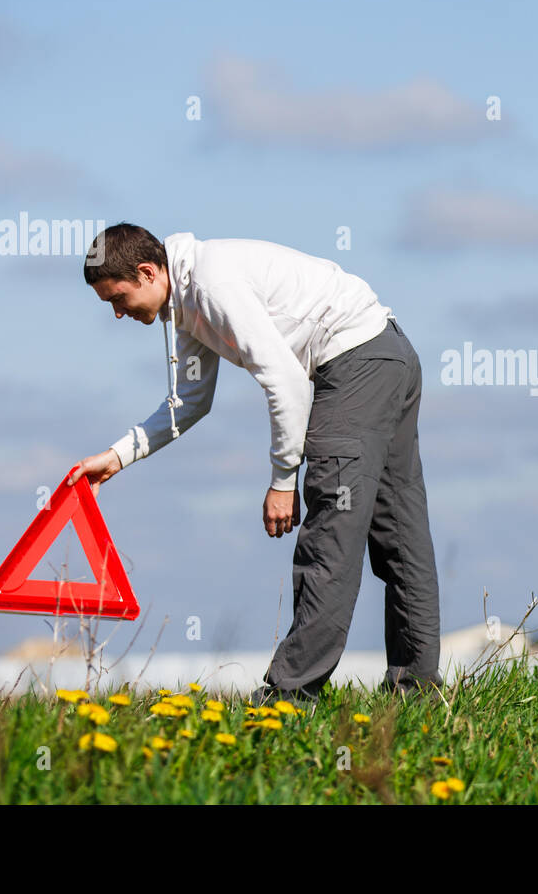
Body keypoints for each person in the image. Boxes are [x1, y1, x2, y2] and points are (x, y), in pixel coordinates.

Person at [66, 223, 443, 708]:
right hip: (390, 356)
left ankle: (290, 697)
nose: (117, 313)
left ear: (146, 272)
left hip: (354, 362)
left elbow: (284, 378)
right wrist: (118, 457)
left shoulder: (211, 287)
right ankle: (418, 695)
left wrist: (283, 481)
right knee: (399, 533)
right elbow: (189, 402)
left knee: (331, 530)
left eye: (117, 298)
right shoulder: (185, 304)